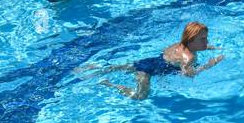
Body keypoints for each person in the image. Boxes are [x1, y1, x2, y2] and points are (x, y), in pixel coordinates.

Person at [87, 22, 224, 100]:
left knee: (117, 67)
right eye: (203, 39)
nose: (207, 42)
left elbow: (189, 48)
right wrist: (208, 65)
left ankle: (93, 67)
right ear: (192, 40)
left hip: (147, 62)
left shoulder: (178, 45)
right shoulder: (189, 58)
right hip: (148, 72)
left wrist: (210, 47)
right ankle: (109, 84)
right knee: (139, 97)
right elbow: (188, 75)